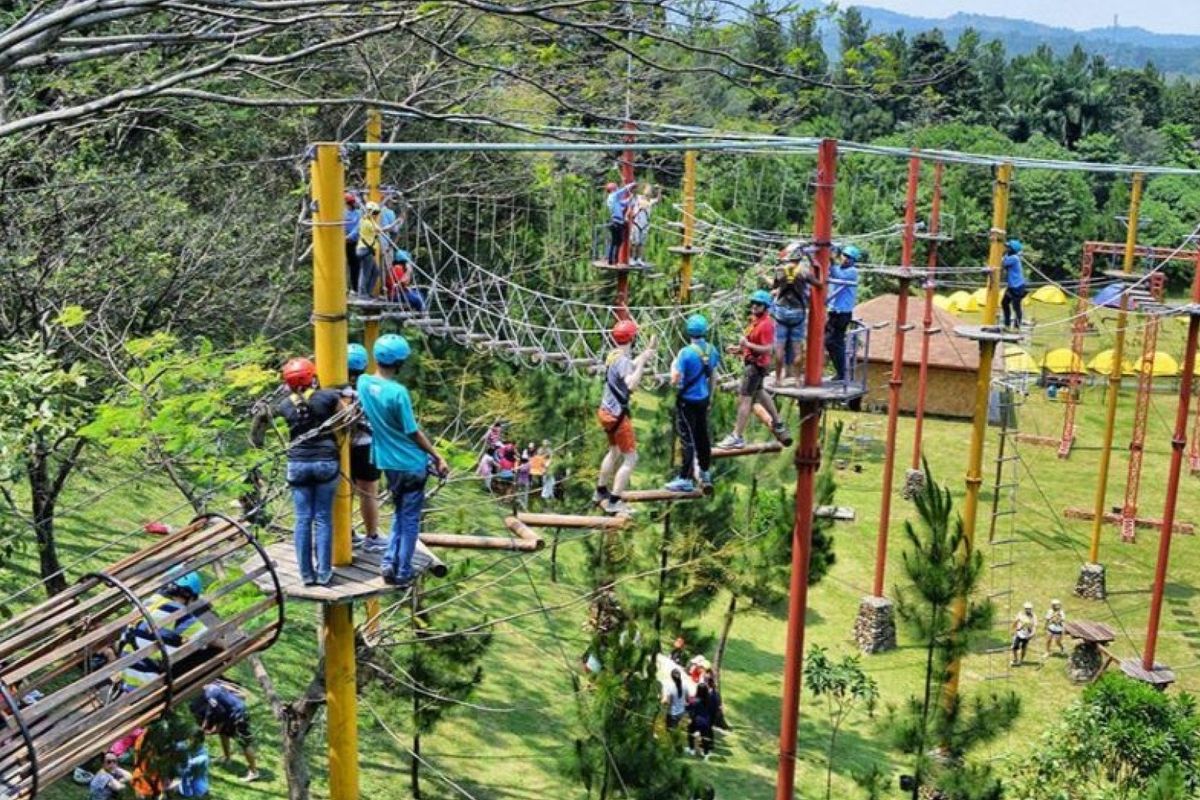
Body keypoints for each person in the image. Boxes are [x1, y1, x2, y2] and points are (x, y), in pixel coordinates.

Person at [357, 334, 450, 586]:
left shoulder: (363, 383)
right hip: (411, 462)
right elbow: (413, 431)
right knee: (409, 519)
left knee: (400, 512)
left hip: (388, 463)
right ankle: (402, 570)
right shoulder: (398, 393)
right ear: (399, 362)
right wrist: (436, 455)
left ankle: (388, 562)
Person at [261, 357, 342, 586]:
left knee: (303, 519)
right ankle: (324, 572)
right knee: (323, 518)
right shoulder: (329, 397)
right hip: (326, 461)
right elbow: (346, 418)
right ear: (312, 377)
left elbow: (263, 424)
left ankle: (306, 575)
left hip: (297, 463)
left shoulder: (285, 405)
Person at [594, 319, 657, 514]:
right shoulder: (622, 360)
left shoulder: (614, 355)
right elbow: (631, 384)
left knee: (614, 451)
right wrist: (643, 363)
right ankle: (614, 501)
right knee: (631, 458)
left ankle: (600, 491)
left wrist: (645, 353)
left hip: (606, 411)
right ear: (633, 338)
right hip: (617, 415)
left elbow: (628, 364)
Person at [717, 291, 791, 450]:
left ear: (765, 307)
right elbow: (752, 345)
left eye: (758, 304)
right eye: (753, 303)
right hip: (756, 364)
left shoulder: (765, 325)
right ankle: (778, 422)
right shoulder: (756, 322)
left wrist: (747, 345)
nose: (754, 306)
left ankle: (737, 436)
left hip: (755, 367)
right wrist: (739, 349)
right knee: (760, 393)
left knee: (744, 400)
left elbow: (768, 349)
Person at [119, 572, 211, 691]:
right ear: (188, 595)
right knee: (212, 650)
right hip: (147, 684)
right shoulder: (175, 610)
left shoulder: (147, 603)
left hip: (127, 677)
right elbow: (213, 638)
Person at [666, 314, 718, 493]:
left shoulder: (685, 353)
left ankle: (685, 478)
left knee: (687, 439)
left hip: (687, 402)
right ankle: (704, 472)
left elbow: (674, 380)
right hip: (703, 399)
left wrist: (673, 366)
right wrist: (710, 397)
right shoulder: (712, 350)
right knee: (702, 436)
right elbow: (713, 377)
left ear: (689, 332)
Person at [346, 344, 384, 553]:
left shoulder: (333, 390)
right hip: (366, 446)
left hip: (342, 448)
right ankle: (372, 536)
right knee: (368, 492)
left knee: (346, 490)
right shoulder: (370, 388)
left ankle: (347, 532)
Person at [772, 243, 822, 385]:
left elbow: (775, 287)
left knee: (780, 347)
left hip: (781, 311)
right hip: (797, 312)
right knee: (797, 348)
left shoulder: (780, 270)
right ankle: (797, 380)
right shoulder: (804, 272)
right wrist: (817, 266)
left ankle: (777, 379)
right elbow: (819, 284)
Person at [189, 683, 258, 783]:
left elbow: (221, 712)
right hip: (230, 713)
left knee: (245, 743)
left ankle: (254, 772)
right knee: (223, 733)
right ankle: (226, 758)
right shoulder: (212, 686)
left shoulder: (209, 695)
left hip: (238, 714)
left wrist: (216, 728)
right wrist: (206, 724)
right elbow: (212, 708)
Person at [825, 244, 860, 382]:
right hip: (834, 312)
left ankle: (842, 373)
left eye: (849, 258)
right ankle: (841, 372)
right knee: (829, 342)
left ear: (853, 261)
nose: (846, 259)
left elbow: (838, 276)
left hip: (842, 314)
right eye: (845, 256)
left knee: (834, 342)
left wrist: (831, 260)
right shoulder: (839, 269)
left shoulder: (852, 272)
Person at [604, 181, 637, 265]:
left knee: (615, 242)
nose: (617, 189)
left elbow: (625, 203)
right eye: (616, 188)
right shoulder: (613, 196)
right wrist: (631, 184)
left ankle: (611, 261)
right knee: (617, 242)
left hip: (616, 222)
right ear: (613, 189)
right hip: (616, 222)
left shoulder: (615, 201)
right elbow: (623, 191)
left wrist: (631, 198)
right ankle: (615, 261)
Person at [629, 184, 662, 267]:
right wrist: (634, 188)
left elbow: (658, 200)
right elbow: (632, 195)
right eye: (647, 191)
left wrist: (659, 191)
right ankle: (632, 258)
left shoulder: (650, 201)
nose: (647, 193)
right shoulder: (638, 198)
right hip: (636, 223)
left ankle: (639, 259)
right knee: (634, 242)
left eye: (649, 191)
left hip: (645, 224)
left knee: (642, 243)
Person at [355, 201, 383, 298]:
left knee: (375, 272)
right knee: (365, 272)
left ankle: (367, 292)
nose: (376, 215)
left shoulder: (370, 221)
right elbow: (379, 230)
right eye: (374, 213)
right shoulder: (366, 222)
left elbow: (379, 230)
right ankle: (362, 293)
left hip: (368, 250)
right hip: (365, 250)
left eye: (377, 213)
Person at [1001, 239, 1027, 331]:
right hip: (1012, 286)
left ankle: (1016, 327)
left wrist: (1003, 254)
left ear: (1012, 249)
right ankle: (1007, 325)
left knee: (1016, 307)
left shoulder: (1014, 258)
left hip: (1018, 287)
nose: (1006, 248)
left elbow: (1003, 263)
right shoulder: (1013, 256)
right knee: (1004, 303)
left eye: (1008, 247)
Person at [175, 731, 210, 798]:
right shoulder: (188, 748)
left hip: (196, 789)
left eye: (192, 739)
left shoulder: (203, 756)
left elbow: (190, 764)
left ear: (199, 740)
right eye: (190, 739)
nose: (190, 741)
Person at [686, 682, 715, 760]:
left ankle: (691, 749)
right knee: (705, 738)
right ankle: (706, 754)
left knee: (690, 733)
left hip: (696, 721)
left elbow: (689, 709)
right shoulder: (710, 699)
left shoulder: (694, 700)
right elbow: (713, 710)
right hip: (706, 721)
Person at [344, 192, 362, 293]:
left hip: (354, 241)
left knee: (355, 265)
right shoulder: (343, 213)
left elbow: (358, 227)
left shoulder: (358, 213)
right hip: (344, 242)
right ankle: (346, 287)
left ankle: (355, 287)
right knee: (345, 265)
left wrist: (349, 236)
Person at [1011, 601, 1037, 666]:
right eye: (1026, 608)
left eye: (1029, 609)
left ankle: (1021, 660)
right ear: (1024, 608)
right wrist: (1013, 629)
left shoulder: (1033, 616)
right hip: (1019, 633)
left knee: (1024, 648)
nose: (1028, 610)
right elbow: (1015, 622)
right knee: (1014, 647)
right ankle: (1015, 659)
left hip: (1027, 635)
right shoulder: (1020, 614)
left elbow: (1034, 627)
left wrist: (1032, 634)